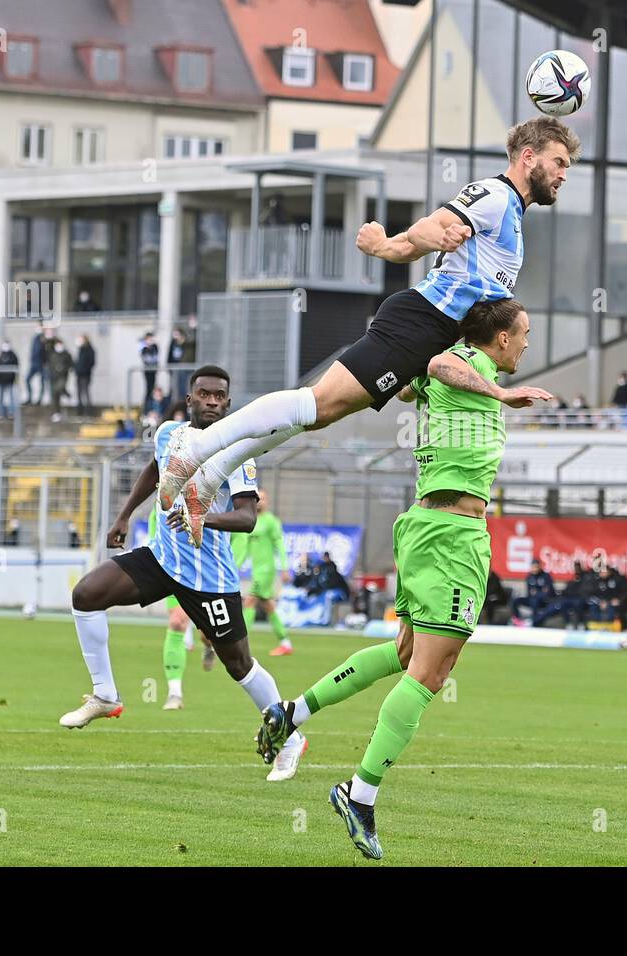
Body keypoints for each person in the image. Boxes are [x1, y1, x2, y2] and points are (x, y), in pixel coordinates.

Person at [153, 117, 578, 528]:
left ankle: (209, 476)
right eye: (559, 162)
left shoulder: (514, 216)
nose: (563, 173)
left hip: (435, 332)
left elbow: (410, 247)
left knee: (319, 414)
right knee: (317, 403)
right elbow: (429, 227)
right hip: (422, 322)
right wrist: (436, 235)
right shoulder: (495, 195)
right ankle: (196, 446)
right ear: (528, 157)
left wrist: (380, 247)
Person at [253, 297, 533, 860]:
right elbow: (433, 369)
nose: (526, 343)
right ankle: (359, 794)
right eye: (523, 333)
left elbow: (410, 385)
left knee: (407, 653)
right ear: (499, 338)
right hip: (453, 536)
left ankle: (292, 713)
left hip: (427, 525)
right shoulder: (465, 363)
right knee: (432, 674)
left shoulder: (452, 362)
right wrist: (498, 393)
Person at [59, 365, 308, 782]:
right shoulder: (167, 435)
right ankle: (105, 694)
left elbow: (247, 517)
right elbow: (157, 470)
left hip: (210, 576)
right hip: (162, 559)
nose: (212, 401)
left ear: (228, 404)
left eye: (219, 396)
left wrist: (202, 517)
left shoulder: (238, 450)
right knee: (86, 595)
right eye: (204, 394)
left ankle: (292, 735)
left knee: (239, 665)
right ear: (189, 399)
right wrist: (124, 515)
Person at [146, 507, 201, 708]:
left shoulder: (202, 498)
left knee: (209, 636)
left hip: (203, 572)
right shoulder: (159, 506)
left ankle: (209, 646)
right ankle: (175, 693)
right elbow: (154, 536)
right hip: (172, 571)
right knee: (177, 622)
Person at [229, 491, 294, 657]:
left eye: (263, 498)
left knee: (250, 601)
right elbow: (244, 548)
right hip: (256, 570)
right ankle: (285, 643)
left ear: (267, 501)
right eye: (257, 498)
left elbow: (279, 544)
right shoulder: (250, 520)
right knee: (268, 605)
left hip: (266, 570)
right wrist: (236, 566)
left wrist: (285, 567)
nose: (259, 501)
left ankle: (241, 643)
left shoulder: (271, 521)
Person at [511, 558, 555, 625]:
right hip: (531, 599)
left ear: (539, 567)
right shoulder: (529, 577)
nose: (534, 569)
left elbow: (547, 593)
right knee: (515, 601)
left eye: (536, 567)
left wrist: (537, 593)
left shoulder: (546, 576)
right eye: (533, 567)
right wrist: (539, 592)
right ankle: (517, 620)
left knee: (535, 600)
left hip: (543, 601)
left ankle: (534, 621)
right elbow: (529, 593)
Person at [48, 338, 73, 423]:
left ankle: (66, 393)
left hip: (63, 376)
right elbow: (50, 365)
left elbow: (70, 364)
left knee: (59, 389)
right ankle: (56, 413)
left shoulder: (66, 354)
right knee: (55, 396)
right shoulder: (53, 354)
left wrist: (63, 368)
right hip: (53, 377)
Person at [0, 340, 19, 421]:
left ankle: (11, 413)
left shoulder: (13, 355)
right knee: (0, 398)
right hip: (1, 381)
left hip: (10, 381)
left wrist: (13, 378)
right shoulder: (0, 355)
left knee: (11, 398)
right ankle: (0, 413)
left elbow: (16, 367)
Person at [24, 323, 47, 406]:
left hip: (42, 364)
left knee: (42, 382)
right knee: (27, 380)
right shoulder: (35, 338)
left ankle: (39, 400)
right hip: (34, 363)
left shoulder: (44, 338)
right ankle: (29, 398)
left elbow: (45, 352)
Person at [74, 335, 96, 416]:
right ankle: (79, 411)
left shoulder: (90, 350)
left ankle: (89, 412)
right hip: (79, 374)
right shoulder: (81, 349)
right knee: (79, 393)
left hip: (85, 375)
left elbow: (92, 363)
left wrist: (85, 370)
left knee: (86, 393)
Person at [140, 332, 159, 403]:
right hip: (147, 371)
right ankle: (147, 402)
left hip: (154, 370)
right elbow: (147, 359)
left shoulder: (155, 347)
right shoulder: (144, 349)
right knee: (149, 387)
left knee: (153, 386)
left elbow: (156, 357)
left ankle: (152, 401)